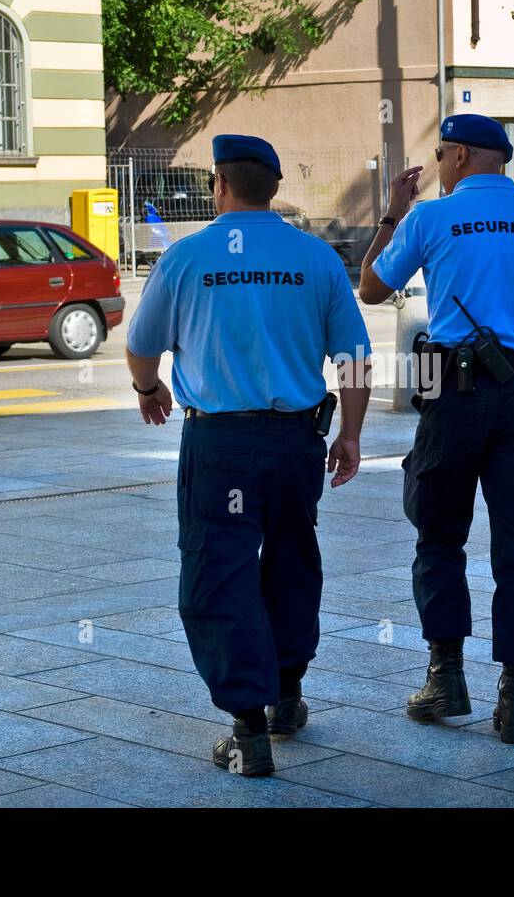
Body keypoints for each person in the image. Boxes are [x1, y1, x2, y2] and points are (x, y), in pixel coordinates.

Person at [124, 134, 372, 777]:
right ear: (272, 189)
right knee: (292, 562)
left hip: (220, 447)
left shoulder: (186, 258)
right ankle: (287, 695)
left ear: (220, 184)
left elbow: (142, 345)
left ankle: (248, 728)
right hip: (296, 442)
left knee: (220, 573)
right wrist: (350, 434)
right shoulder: (315, 257)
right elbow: (354, 357)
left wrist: (149, 389)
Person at [357, 113, 514, 744]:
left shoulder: (430, 218)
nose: (438, 162)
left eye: (441, 152)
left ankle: (446, 679)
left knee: (439, 536)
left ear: (461, 156)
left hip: (451, 393)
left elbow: (371, 288)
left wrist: (392, 211)